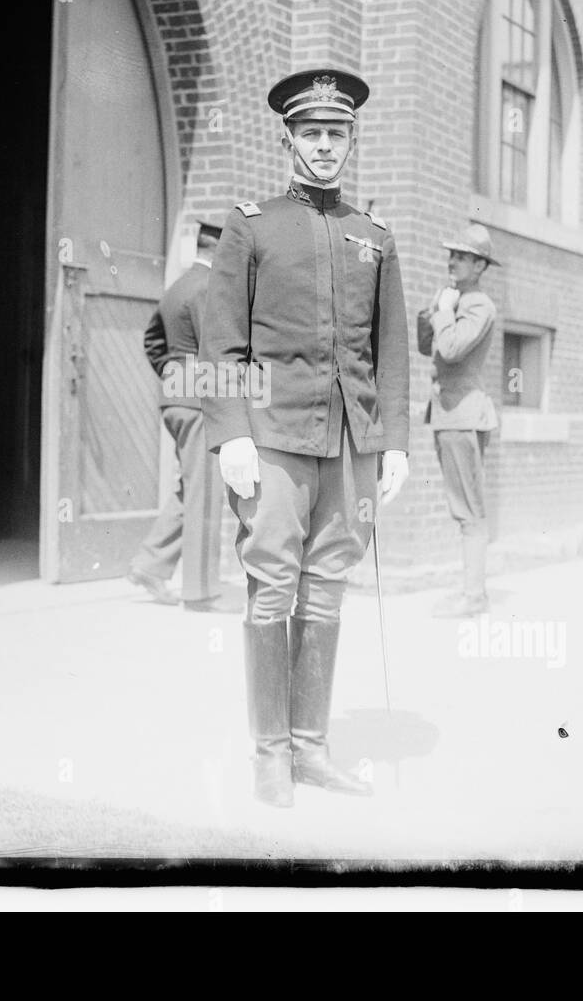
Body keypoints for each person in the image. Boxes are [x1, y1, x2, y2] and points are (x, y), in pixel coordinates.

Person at [199, 68, 410, 808]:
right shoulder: (251, 225)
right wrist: (231, 436)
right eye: (311, 133)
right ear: (287, 138)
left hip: (350, 443)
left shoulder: (373, 237)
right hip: (274, 436)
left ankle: (312, 751)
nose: (325, 147)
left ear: (352, 141)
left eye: (337, 134)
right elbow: (219, 342)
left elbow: (390, 352)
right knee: (271, 589)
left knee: (327, 591)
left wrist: (396, 444)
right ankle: (269, 755)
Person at [126, 222, 238, 613]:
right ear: (220, 252)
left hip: (176, 401)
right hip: (200, 403)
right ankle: (200, 592)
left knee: (189, 488)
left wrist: (176, 377)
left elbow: (152, 342)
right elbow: (218, 351)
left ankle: (150, 565)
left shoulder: (177, 287)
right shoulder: (209, 288)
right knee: (206, 494)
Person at [416, 223, 501, 618]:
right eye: (451, 254)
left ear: (481, 265)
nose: (452, 261)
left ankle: (473, 597)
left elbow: (449, 349)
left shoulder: (479, 305)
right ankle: (471, 592)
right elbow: (425, 346)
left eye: (463, 256)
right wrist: (431, 312)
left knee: (469, 510)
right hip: (447, 414)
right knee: (463, 507)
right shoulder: (453, 299)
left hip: (462, 414)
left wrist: (445, 313)